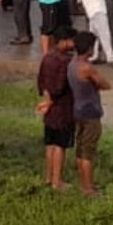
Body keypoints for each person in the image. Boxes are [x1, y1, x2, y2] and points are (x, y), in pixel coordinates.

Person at [69, 31, 111, 198]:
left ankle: (84, 184)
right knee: (88, 151)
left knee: (80, 149)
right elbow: (106, 85)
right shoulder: (87, 68)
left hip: (77, 110)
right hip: (90, 112)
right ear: (88, 49)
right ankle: (88, 189)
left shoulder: (72, 64)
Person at [36, 34, 77, 191]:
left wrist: (47, 99)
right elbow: (60, 87)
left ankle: (49, 177)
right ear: (65, 40)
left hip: (50, 109)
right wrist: (52, 100)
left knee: (50, 144)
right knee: (61, 145)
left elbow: (41, 80)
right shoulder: (66, 61)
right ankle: (57, 181)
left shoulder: (47, 57)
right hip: (62, 108)